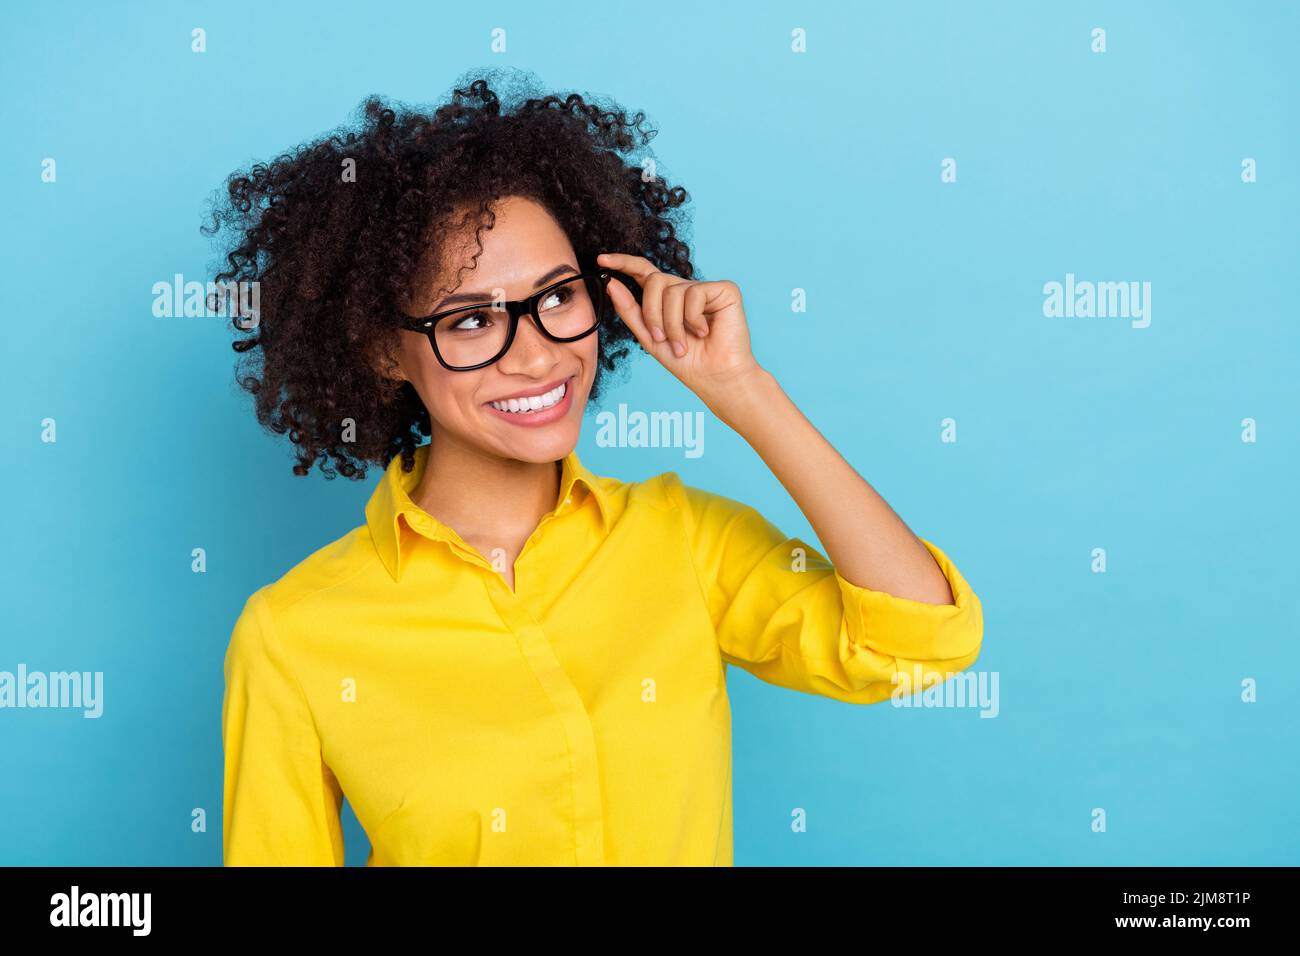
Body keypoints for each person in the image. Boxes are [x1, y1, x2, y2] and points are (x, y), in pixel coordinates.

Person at [208, 72, 983, 866]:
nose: (539, 353)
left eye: (557, 297)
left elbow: (919, 641)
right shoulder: (292, 637)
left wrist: (746, 393)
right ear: (381, 349)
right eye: (472, 319)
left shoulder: (681, 540)